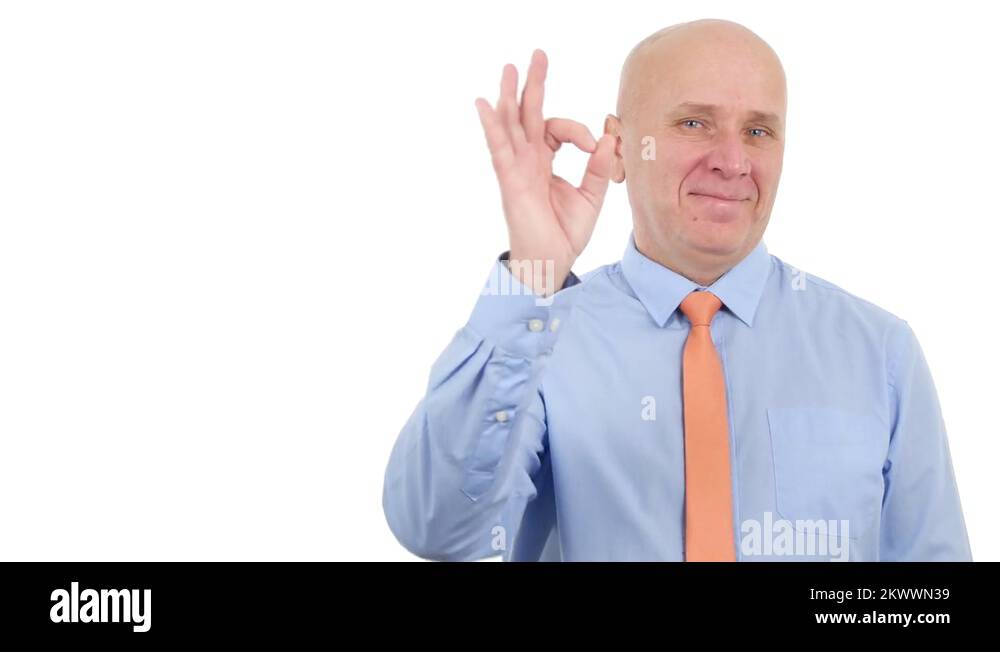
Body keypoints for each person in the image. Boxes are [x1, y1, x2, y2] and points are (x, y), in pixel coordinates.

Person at [381, 18, 972, 561]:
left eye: (759, 131)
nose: (733, 161)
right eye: (694, 123)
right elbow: (437, 528)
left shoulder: (880, 351)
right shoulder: (542, 337)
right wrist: (532, 274)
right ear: (619, 148)